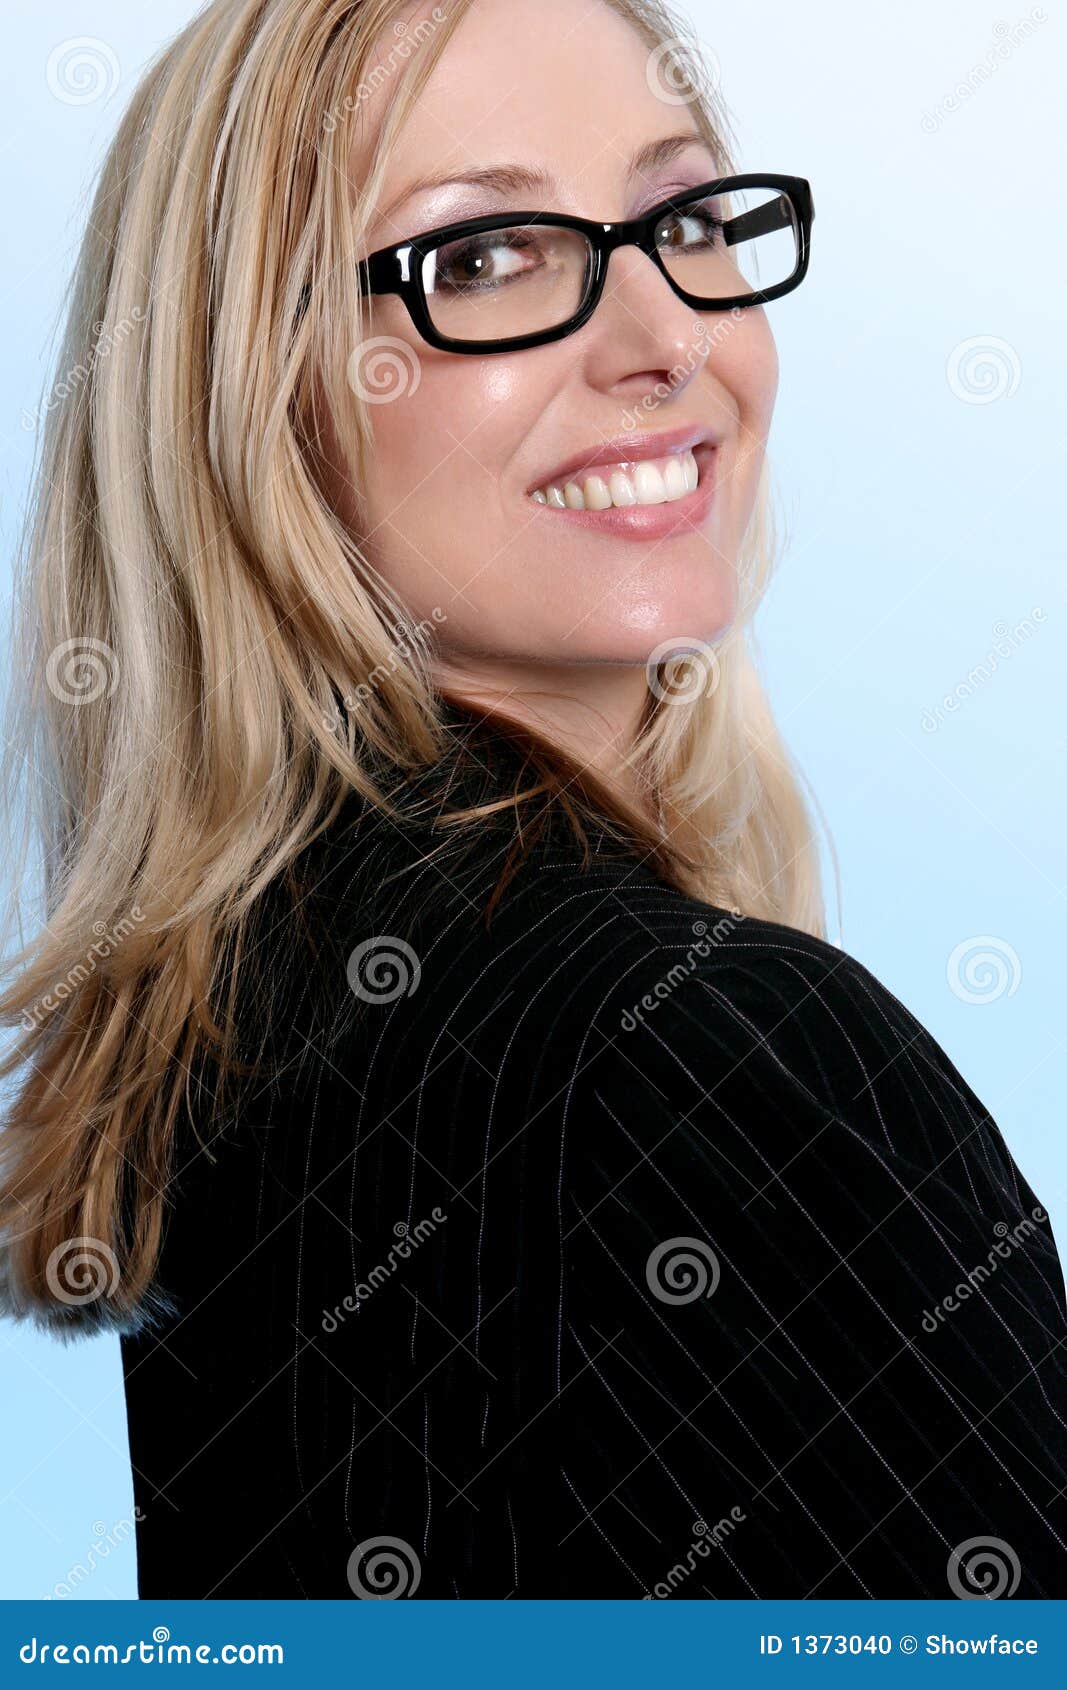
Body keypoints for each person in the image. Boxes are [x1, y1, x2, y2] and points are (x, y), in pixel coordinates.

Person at [2, 0, 1065, 1600]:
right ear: (262, 394)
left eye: (688, 218)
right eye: (490, 253)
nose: (665, 338)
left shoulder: (234, 1036)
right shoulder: (731, 1059)